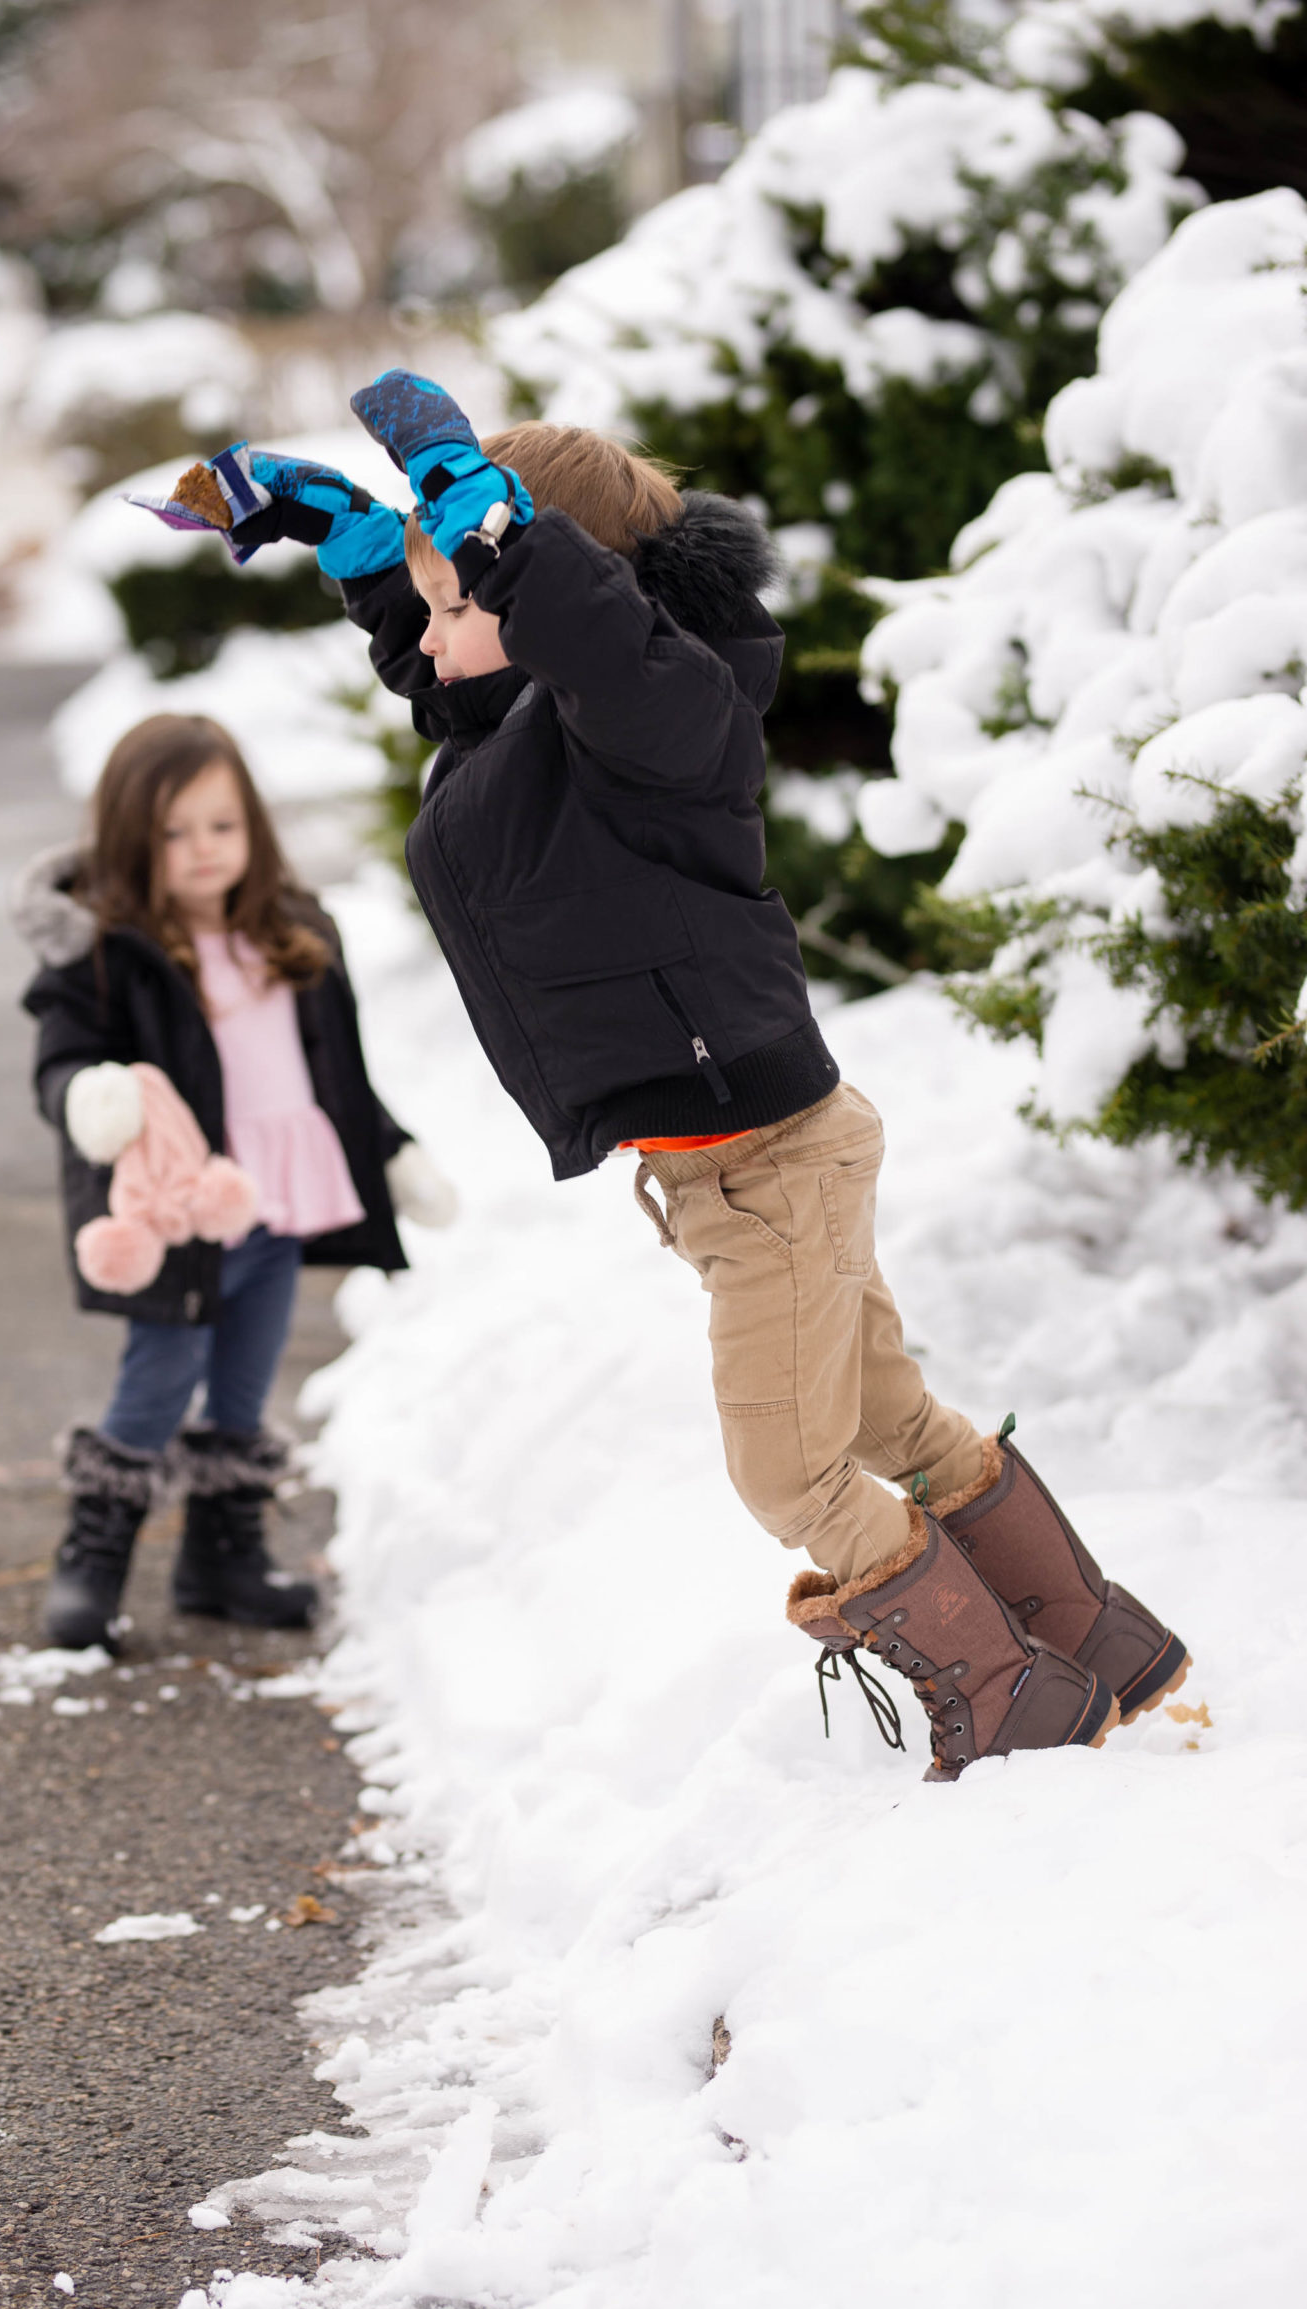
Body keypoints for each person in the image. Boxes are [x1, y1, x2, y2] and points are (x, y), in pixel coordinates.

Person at [159, 386, 1189, 1781]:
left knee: (791, 1474)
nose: (437, 642)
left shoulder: (665, 718)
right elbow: (472, 673)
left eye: (463, 600)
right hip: (744, 1160)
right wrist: (364, 558)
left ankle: (1008, 1696)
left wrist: (501, 538)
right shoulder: (538, 723)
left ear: (551, 582)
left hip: (764, 1158)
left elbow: (582, 646)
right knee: (887, 1420)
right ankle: (1094, 1642)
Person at [13, 711, 452, 1653]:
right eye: (173, 833)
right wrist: (89, 1093)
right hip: (183, 1213)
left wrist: (393, 1149)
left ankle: (222, 1557)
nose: (202, 850)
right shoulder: (109, 956)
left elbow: (339, 1076)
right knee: (160, 1376)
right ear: (134, 842)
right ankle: (92, 1555)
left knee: (246, 1382)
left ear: (251, 826)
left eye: (220, 825)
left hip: (278, 1208)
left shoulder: (290, 936)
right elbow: (63, 1060)